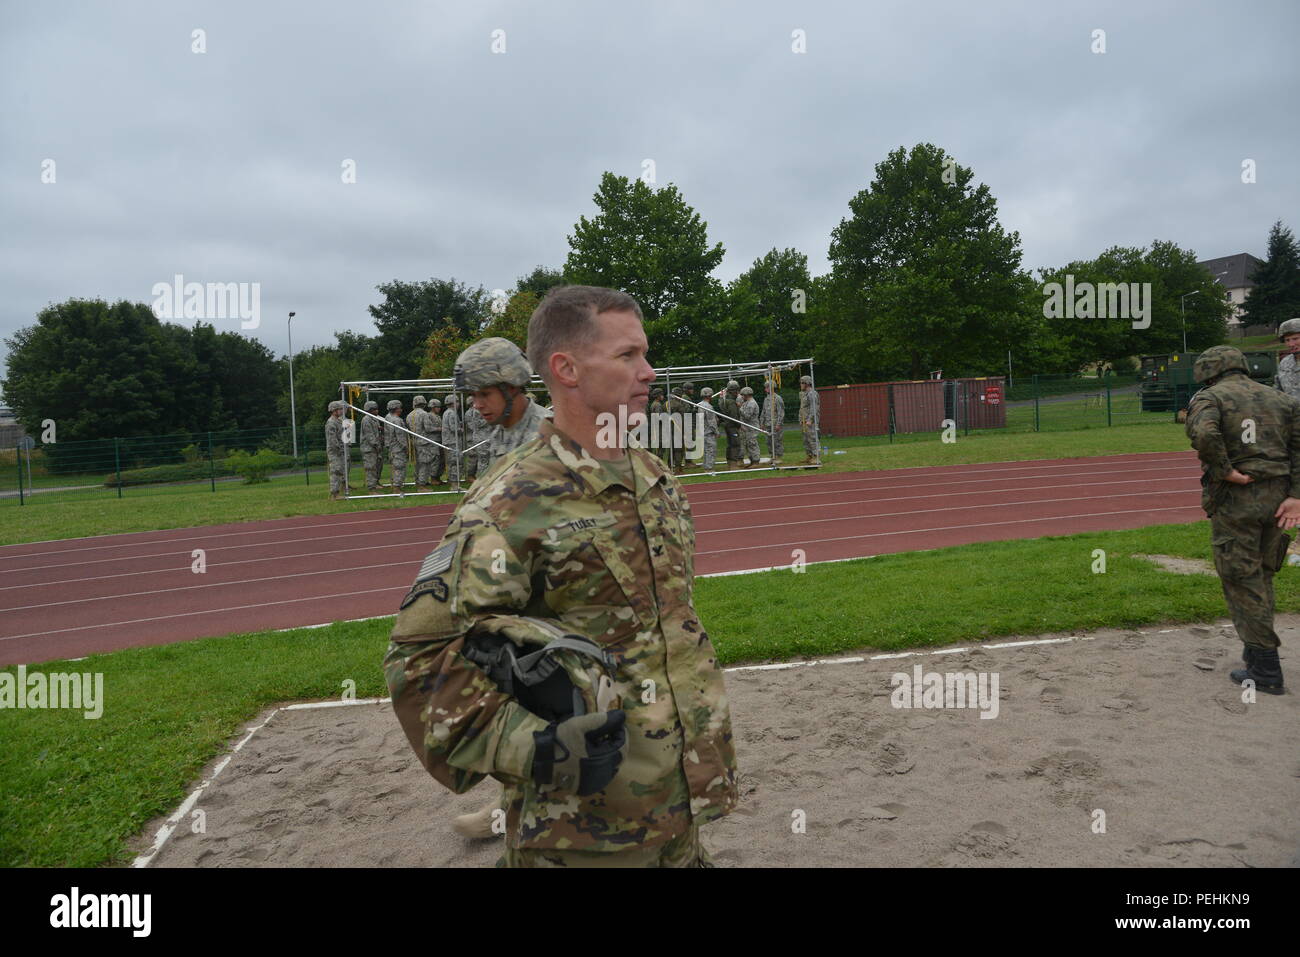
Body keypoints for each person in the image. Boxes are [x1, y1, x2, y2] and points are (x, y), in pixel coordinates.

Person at [383, 284, 738, 867]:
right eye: (627, 356)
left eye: (644, 354)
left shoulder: (654, 477)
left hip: (679, 807)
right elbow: (419, 657)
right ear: (566, 368)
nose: (648, 372)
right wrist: (535, 749)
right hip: (580, 833)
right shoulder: (511, 500)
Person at [1185, 345, 1297, 695]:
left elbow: (1204, 434)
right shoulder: (1281, 399)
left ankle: (1265, 668)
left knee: (1240, 577)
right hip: (1279, 497)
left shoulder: (1210, 398)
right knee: (1262, 574)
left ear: (1207, 370)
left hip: (1238, 499)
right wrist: (1296, 495)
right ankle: (1255, 651)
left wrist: (1225, 470)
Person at [456, 337, 549, 471]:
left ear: (511, 387)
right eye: (472, 395)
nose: (477, 405)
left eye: (485, 394)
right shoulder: (501, 431)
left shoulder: (546, 438)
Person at [407, 395, 433, 490]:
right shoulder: (424, 414)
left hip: (414, 442)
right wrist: (439, 428)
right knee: (425, 463)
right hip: (424, 442)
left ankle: (417, 481)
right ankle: (422, 485)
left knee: (417, 463)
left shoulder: (409, 415)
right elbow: (428, 428)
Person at [325, 400, 348, 500]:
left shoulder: (338, 421)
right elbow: (332, 439)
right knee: (335, 471)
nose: (341, 411)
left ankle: (337, 492)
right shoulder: (331, 423)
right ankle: (334, 494)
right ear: (334, 410)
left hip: (340, 450)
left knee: (339, 471)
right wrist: (339, 448)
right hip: (335, 451)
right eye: (339, 409)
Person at [360, 399, 385, 492]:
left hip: (376, 448)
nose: (377, 411)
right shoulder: (366, 420)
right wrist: (376, 445)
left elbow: (376, 431)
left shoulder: (374, 419)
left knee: (377, 467)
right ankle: (371, 488)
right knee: (371, 468)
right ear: (369, 410)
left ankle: (376, 483)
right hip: (369, 449)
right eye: (374, 409)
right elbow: (369, 435)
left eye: (377, 409)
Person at [384, 399, 408, 494]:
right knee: (399, 467)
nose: (401, 409)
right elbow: (400, 435)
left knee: (395, 467)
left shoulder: (388, 418)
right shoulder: (396, 420)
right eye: (399, 408)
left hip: (393, 447)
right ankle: (397, 487)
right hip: (398, 448)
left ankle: (395, 485)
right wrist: (405, 446)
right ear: (396, 409)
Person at [719, 380, 743, 470]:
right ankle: (733, 464)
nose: (738, 393)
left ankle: (729, 462)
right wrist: (740, 425)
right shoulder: (731, 402)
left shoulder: (724, 400)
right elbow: (734, 416)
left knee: (730, 444)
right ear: (734, 391)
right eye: (737, 390)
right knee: (735, 444)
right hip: (732, 426)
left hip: (727, 425)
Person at [1274, 318, 1300, 402]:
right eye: (1287, 340)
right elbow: (1278, 391)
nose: (1291, 344)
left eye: (1295, 339)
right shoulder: (1284, 363)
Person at [799, 374, 820, 466]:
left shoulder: (812, 393)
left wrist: (810, 419)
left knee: (812, 438)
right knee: (806, 439)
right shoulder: (805, 394)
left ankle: (816, 457)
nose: (801, 385)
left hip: (810, 421)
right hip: (804, 420)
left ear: (807, 383)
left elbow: (814, 407)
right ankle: (810, 456)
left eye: (802, 383)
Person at [441, 392, 461, 488]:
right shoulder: (452, 413)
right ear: (453, 403)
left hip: (448, 441)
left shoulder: (446, 412)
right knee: (455, 462)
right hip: (452, 441)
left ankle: (452, 482)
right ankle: (454, 485)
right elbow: (454, 429)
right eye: (457, 401)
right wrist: (461, 429)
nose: (458, 404)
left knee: (451, 462)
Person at [763, 379, 785, 465]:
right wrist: (762, 422)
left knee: (777, 441)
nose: (765, 389)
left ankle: (778, 457)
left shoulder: (777, 398)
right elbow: (764, 411)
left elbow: (781, 412)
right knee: (769, 441)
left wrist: (779, 423)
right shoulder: (766, 399)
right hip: (768, 423)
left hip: (775, 423)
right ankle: (773, 456)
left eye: (767, 387)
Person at [739, 386, 761, 467]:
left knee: (752, 444)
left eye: (743, 395)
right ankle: (752, 461)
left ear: (747, 395)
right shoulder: (747, 402)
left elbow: (747, 416)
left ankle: (756, 461)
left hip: (752, 427)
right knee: (749, 444)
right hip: (748, 428)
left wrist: (740, 408)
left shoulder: (751, 403)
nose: (742, 397)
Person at [699, 386, 719, 473]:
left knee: (707, 450)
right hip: (709, 432)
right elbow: (712, 422)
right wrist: (716, 432)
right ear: (710, 395)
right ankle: (709, 468)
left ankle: (706, 466)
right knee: (711, 450)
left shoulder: (700, 405)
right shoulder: (708, 407)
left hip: (703, 431)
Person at [426, 396, 444, 485]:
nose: (439, 409)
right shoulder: (428, 415)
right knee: (435, 459)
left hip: (439, 440)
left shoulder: (438, 416)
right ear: (433, 407)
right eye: (437, 407)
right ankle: (433, 478)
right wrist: (439, 429)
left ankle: (438, 477)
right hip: (433, 441)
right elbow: (428, 428)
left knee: (440, 460)